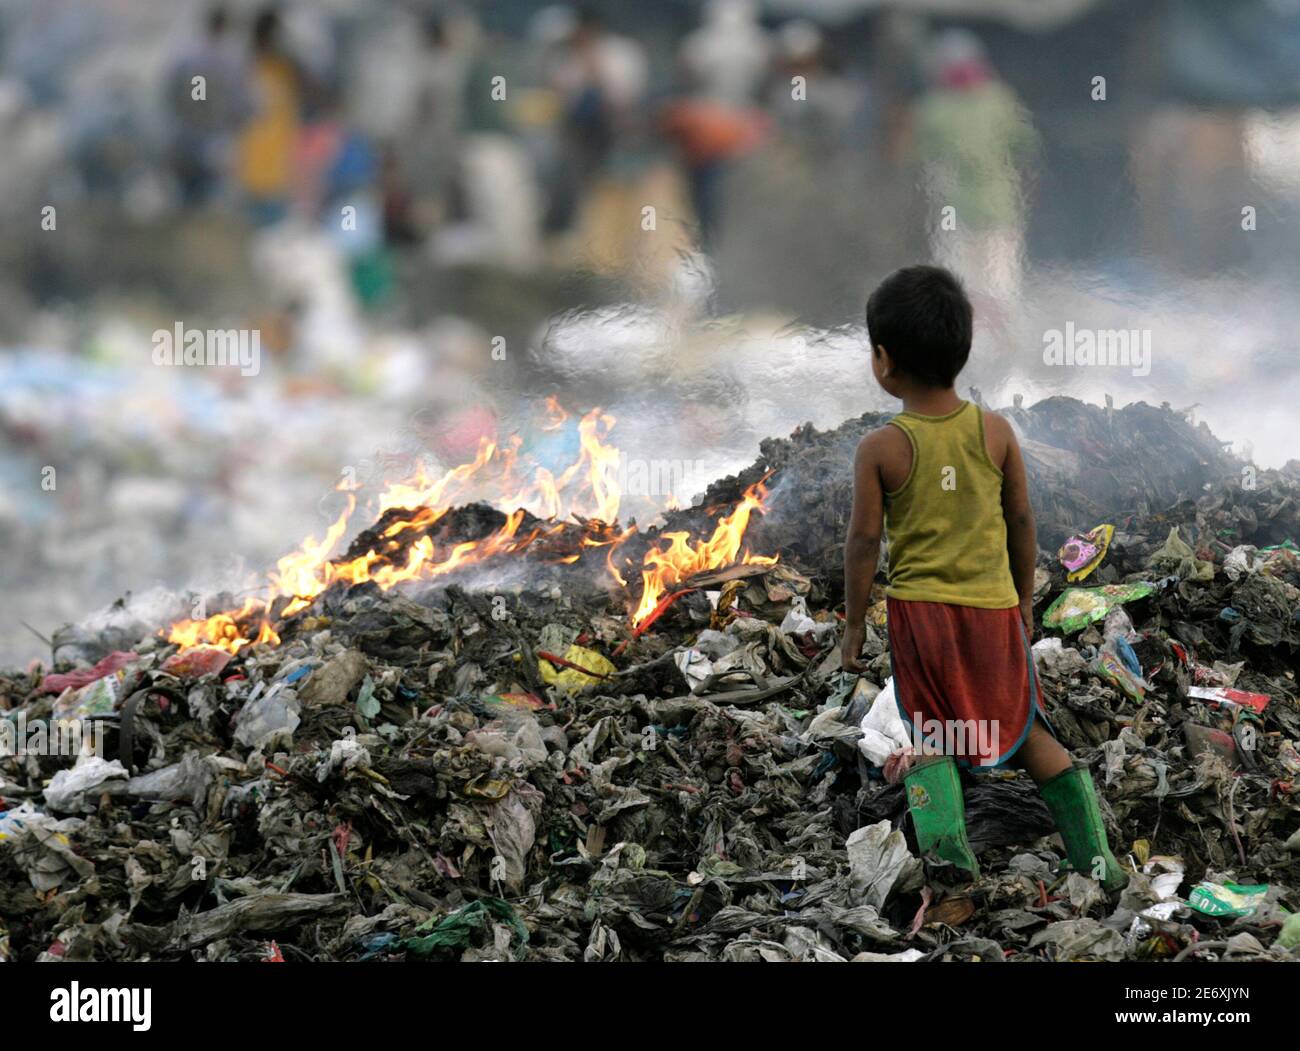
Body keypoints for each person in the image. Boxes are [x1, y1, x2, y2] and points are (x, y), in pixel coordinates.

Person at [840, 266, 1126, 891]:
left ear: (883, 361)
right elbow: (1021, 519)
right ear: (962, 352)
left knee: (933, 734)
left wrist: (855, 623)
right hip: (994, 613)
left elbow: (863, 543)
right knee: (1023, 726)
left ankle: (954, 876)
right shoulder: (995, 432)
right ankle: (1098, 864)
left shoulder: (881, 448)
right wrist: (1023, 601)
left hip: (923, 619)